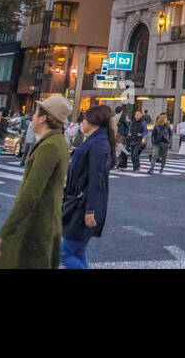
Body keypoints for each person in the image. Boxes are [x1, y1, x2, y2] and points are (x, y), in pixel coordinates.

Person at [0, 95, 71, 269]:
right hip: (44, 225)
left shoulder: (50, 146)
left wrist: (3, 234)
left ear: (43, 118)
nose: (32, 117)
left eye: (35, 114)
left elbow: (30, 195)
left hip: (34, 228)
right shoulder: (58, 142)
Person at [61, 104, 112, 268]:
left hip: (84, 205)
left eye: (85, 118)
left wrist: (91, 210)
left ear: (94, 121)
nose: (82, 122)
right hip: (82, 202)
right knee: (78, 251)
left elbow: (96, 179)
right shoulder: (95, 140)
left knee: (64, 253)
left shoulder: (98, 143)